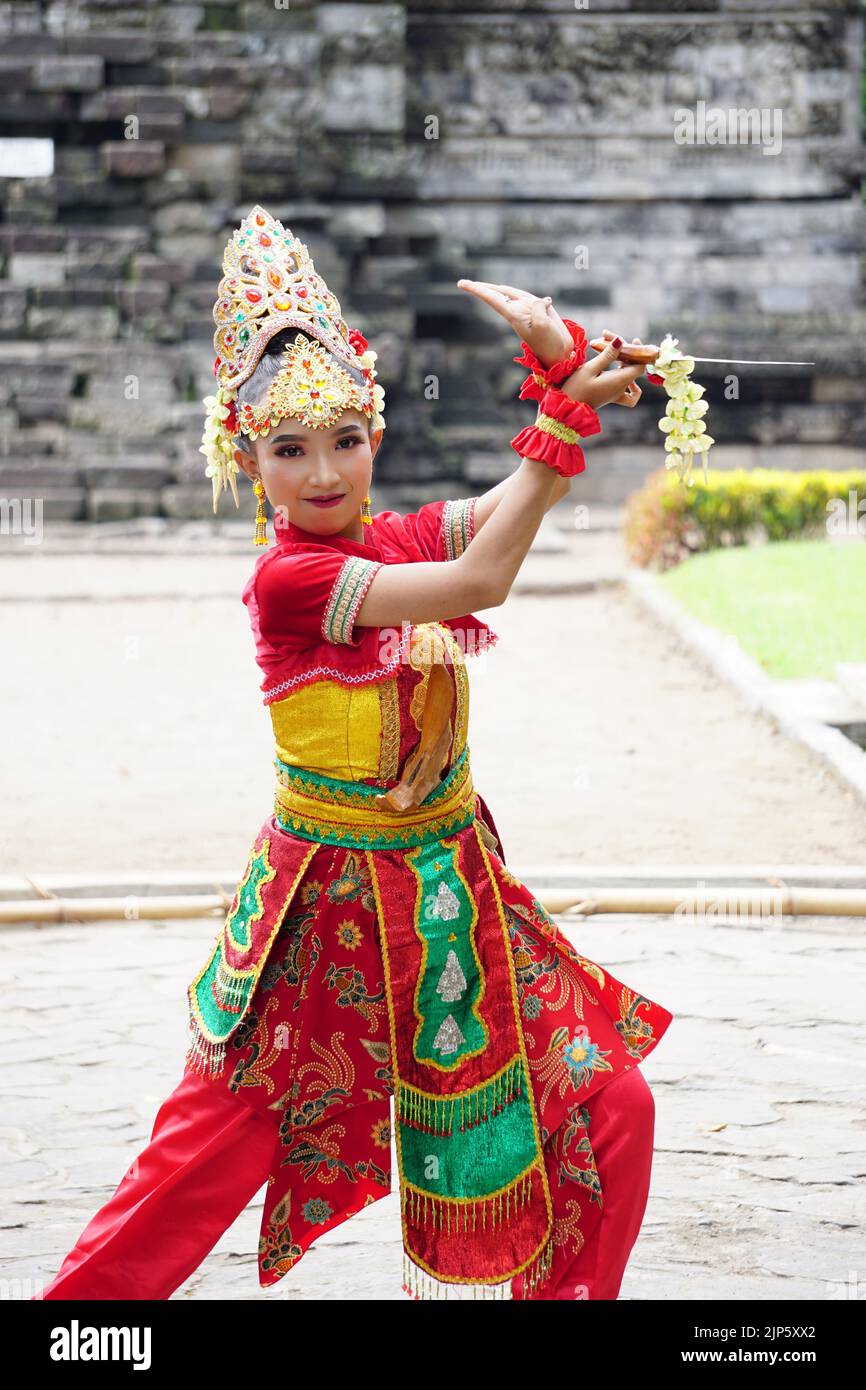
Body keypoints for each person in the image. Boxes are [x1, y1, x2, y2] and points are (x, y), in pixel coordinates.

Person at [38, 205, 673, 1302]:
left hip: (447, 908)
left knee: (610, 1105)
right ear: (249, 461)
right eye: (289, 449)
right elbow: (481, 585)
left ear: (375, 432)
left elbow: (491, 525)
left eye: (345, 438)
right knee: (194, 1170)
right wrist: (559, 421)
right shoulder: (288, 581)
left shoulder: (385, 537)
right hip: (317, 929)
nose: (324, 471)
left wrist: (564, 373)